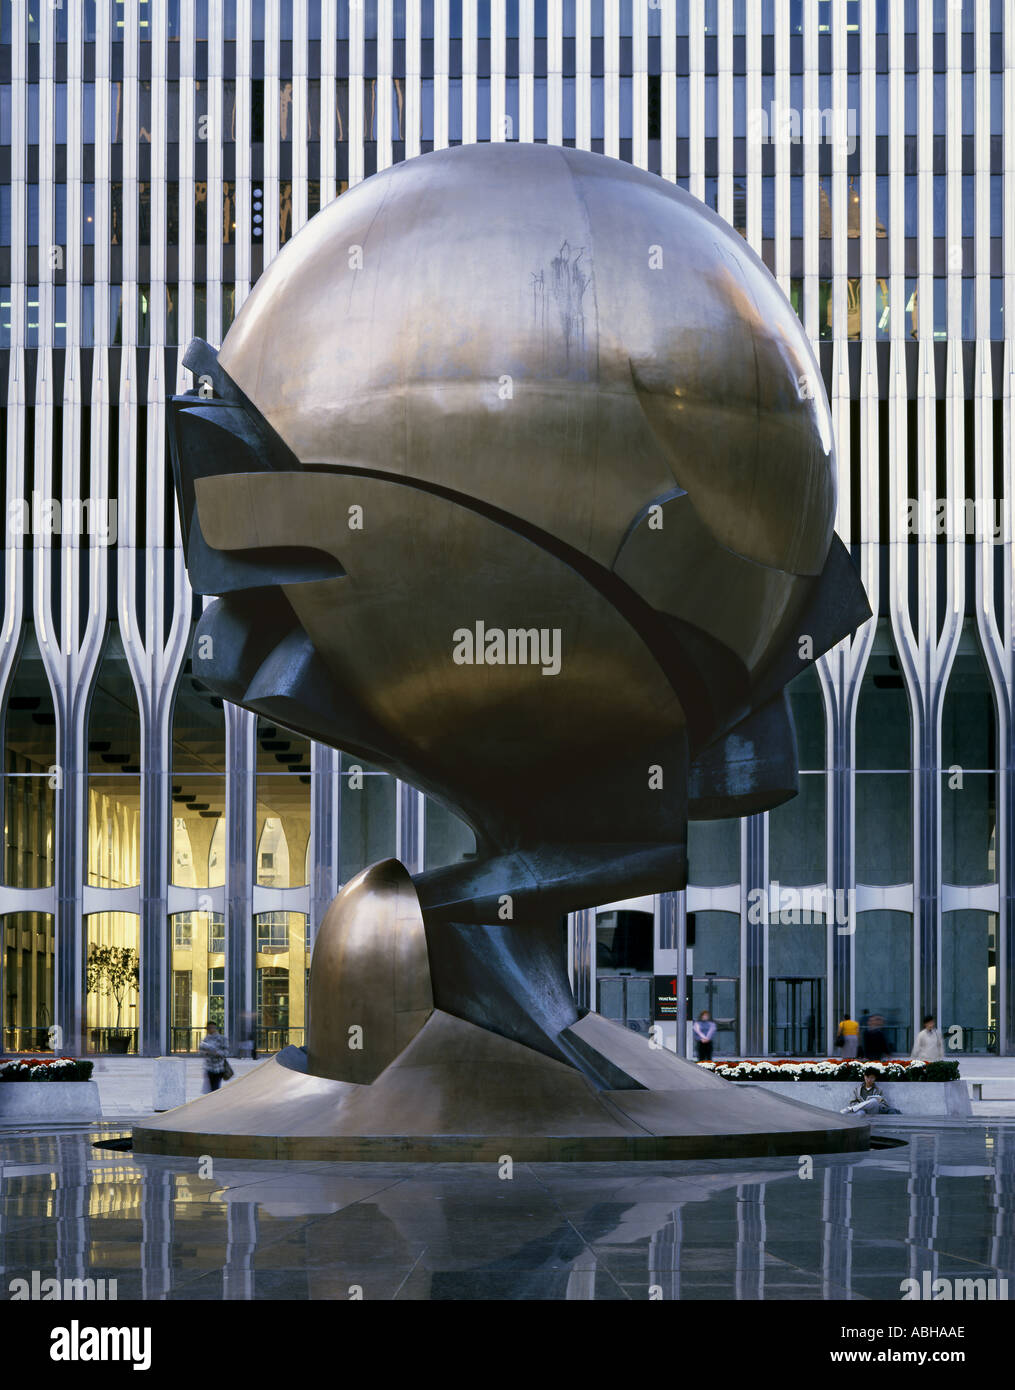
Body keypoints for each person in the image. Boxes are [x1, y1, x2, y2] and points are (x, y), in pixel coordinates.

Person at [199, 1021, 230, 1092]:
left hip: (219, 1068)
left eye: (212, 1028)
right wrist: (206, 1053)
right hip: (209, 1067)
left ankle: (215, 1101)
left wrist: (218, 1053)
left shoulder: (222, 1039)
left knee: (215, 1087)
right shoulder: (206, 1039)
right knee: (211, 1088)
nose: (210, 1029)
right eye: (209, 1028)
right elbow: (201, 1052)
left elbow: (226, 1052)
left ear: (215, 1028)